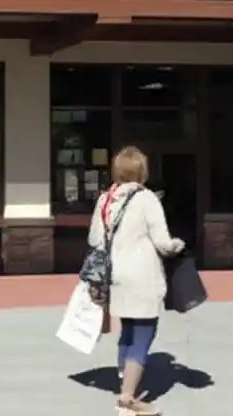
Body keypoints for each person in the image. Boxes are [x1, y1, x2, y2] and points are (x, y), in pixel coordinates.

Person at [88, 146, 184, 416]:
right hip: (143, 276)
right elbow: (163, 243)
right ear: (142, 170)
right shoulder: (146, 199)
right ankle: (128, 398)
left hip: (116, 275)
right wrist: (179, 245)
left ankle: (124, 381)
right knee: (143, 335)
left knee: (128, 331)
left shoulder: (105, 199)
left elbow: (95, 240)